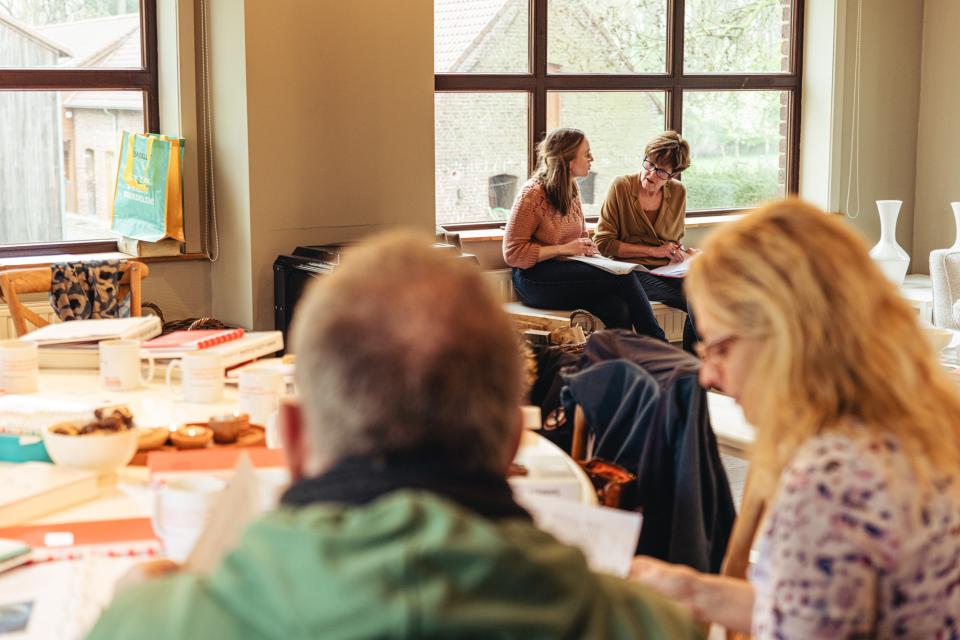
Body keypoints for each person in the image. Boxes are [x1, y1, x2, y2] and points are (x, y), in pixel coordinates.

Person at [86, 231, 702, 639]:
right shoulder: (646, 625)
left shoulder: (151, 622)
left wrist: (143, 600)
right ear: (516, 439)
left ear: (293, 439)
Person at [632, 199, 960, 637]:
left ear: (783, 338)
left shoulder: (830, 483)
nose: (707, 374)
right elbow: (815, 604)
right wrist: (693, 591)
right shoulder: (916, 424)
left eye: (719, 347)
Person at [503, 127, 665, 340]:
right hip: (534, 280)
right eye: (587, 153)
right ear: (569, 160)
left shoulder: (571, 189)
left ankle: (619, 368)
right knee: (625, 276)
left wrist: (591, 252)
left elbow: (581, 235)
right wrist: (564, 249)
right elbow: (513, 253)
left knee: (618, 308)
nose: (592, 158)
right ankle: (658, 345)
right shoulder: (532, 195)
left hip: (568, 274)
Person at [593, 131, 696, 351]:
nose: (650, 174)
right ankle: (683, 370)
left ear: (674, 174)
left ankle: (693, 368)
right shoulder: (621, 186)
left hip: (668, 269)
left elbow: (674, 239)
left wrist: (679, 252)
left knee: (704, 298)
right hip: (630, 272)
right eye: (649, 164)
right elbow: (604, 243)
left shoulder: (678, 192)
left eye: (661, 171)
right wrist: (656, 252)